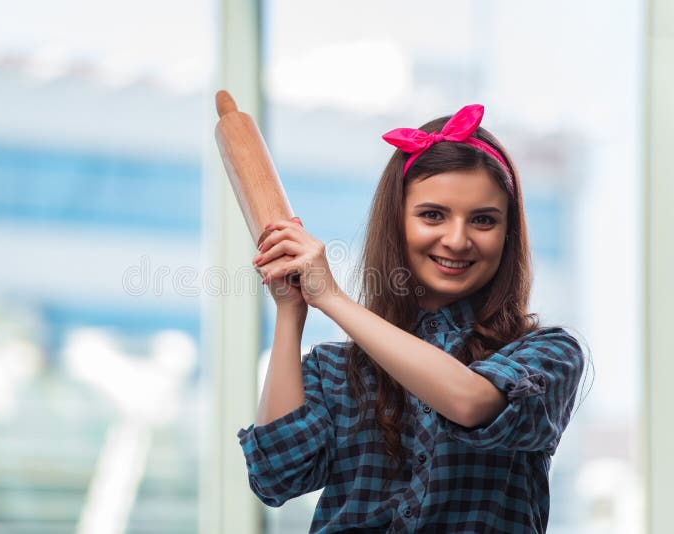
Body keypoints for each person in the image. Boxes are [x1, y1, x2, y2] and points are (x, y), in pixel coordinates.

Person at [237, 104, 586, 533]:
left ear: (507, 235)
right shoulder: (336, 371)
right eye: (432, 215)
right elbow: (277, 477)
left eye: (483, 220)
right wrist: (292, 312)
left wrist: (331, 297)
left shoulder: (547, 355)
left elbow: (470, 403)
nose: (457, 240)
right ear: (396, 222)